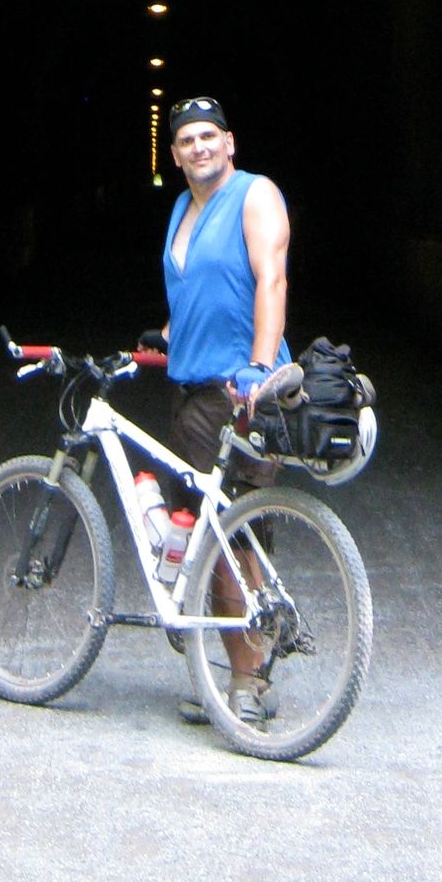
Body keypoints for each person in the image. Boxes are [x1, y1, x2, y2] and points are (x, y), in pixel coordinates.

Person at [144, 93, 291, 725]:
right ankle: (230, 673)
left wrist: (258, 368)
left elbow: (270, 279)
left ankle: (248, 683)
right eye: (187, 140)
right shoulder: (183, 207)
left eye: (210, 135)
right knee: (205, 534)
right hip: (190, 393)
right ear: (175, 155)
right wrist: (165, 336)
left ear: (230, 143)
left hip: (239, 393)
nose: (199, 146)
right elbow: (200, 290)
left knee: (233, 537)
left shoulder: (256, 195)